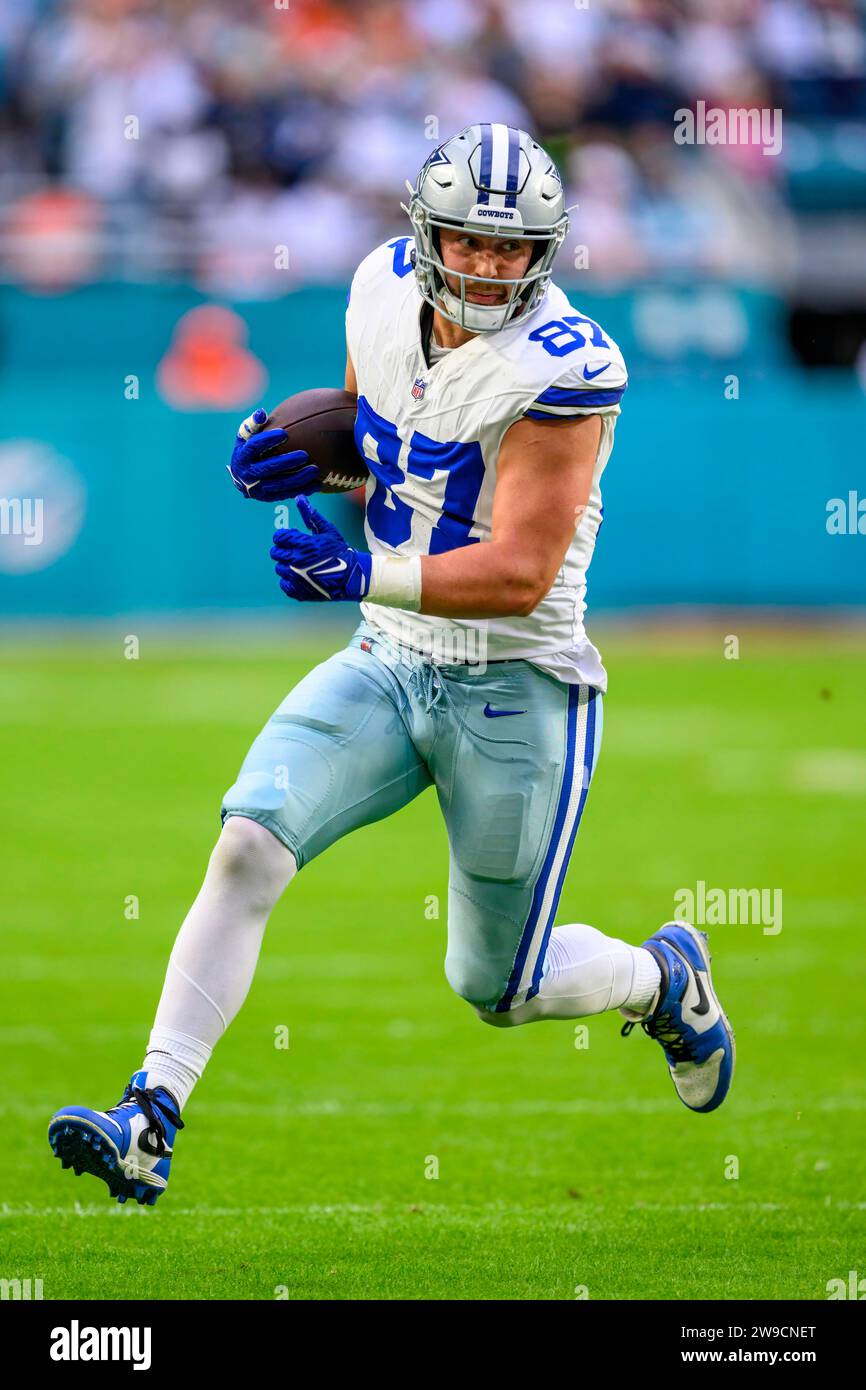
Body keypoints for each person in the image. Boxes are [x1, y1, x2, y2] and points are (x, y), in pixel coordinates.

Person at [48, 124, 734, 1207]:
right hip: (390, 653)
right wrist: (286, 450)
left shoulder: (567, 367)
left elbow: (514, 570)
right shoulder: (377, 286)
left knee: (496, 987)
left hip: (518, 683)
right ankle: (150, 1112)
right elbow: (376, 444)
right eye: (471, 241)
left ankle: (661, 978)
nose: (492, 267)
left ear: (546, 252)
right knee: (244, 849)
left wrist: (357, 570)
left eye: (516, 250)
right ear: (425, 233)